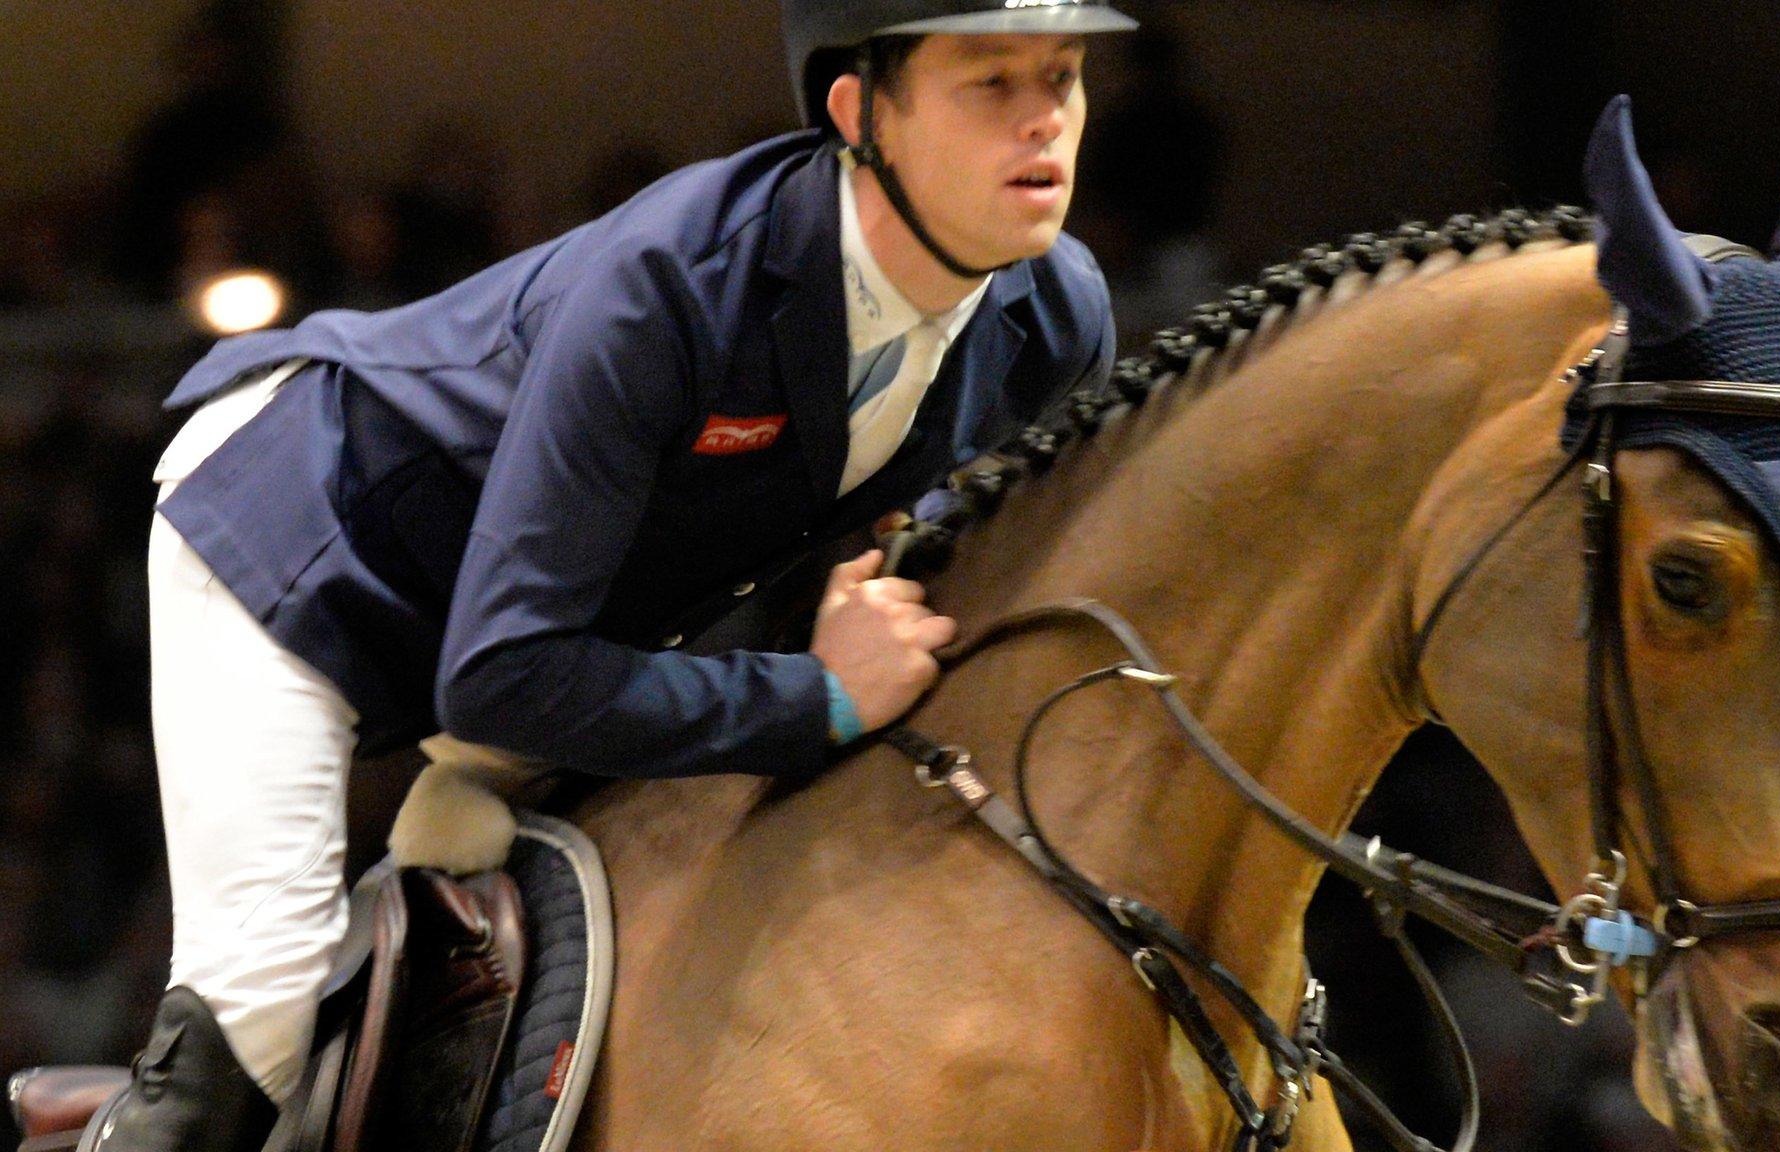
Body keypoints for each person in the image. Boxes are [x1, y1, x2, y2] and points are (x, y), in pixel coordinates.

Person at [93, 2, 1132, 1148]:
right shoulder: (674, 284)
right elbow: (500, 675)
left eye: (1064, 76)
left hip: (553, 606)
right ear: (858, 113)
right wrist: (815, 699)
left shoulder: (1057, 317)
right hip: (306, 531)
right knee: (258, 1006)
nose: (1046, 120)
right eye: (991, 84)